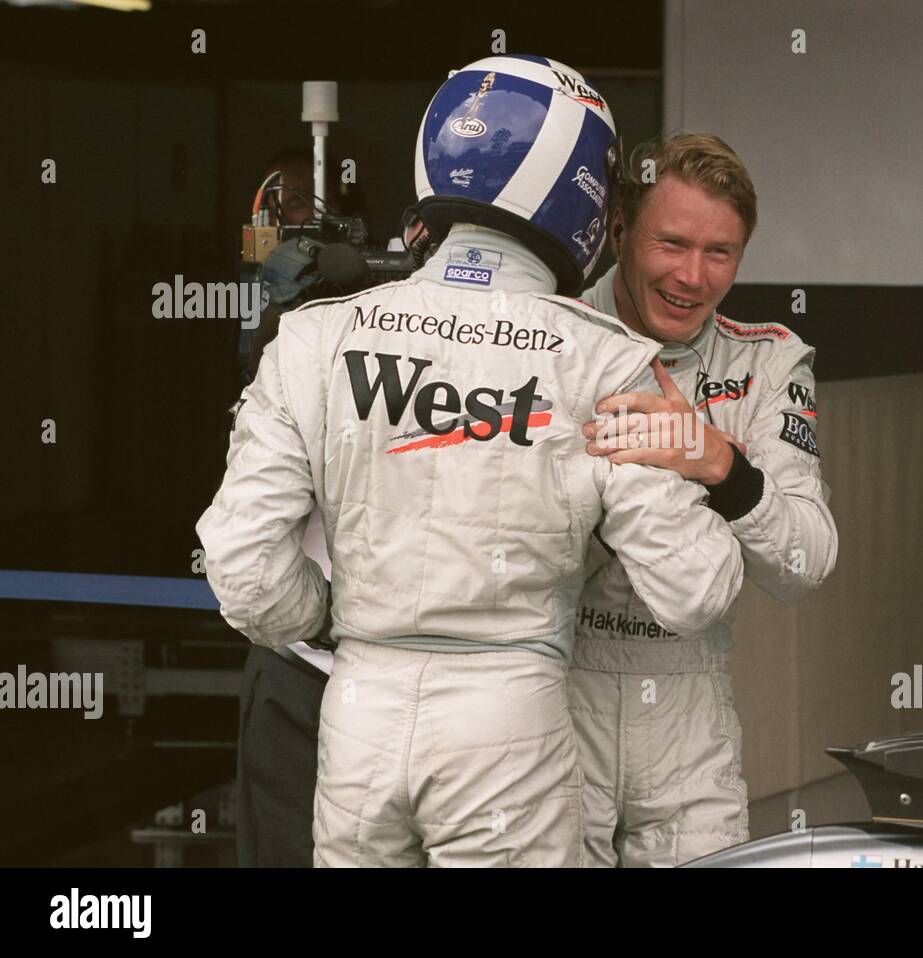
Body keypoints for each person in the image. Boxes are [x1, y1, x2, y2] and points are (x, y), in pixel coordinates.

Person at [198, 57, 745, 867]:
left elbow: (240, 567)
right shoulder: (606, 362)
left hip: (359, 719)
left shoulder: (314, 338)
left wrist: (335, 621)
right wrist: (714, 465)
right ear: (584, 197)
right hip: (509, 726)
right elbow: (696, 590)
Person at [567, 132, 839, 867]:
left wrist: (720, 463)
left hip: (688, 698)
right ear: (619, 230)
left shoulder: (767, 359)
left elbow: (806, 561)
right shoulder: (544, 337)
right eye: (672, 242)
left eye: (720, 252)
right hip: (554, 684)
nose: (692, 275)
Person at [233, 201, 430, 868]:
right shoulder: (290, 352)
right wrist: (281, 330)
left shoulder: (478, 346)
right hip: (304, 674)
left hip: (431, 682)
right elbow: (249, 537)